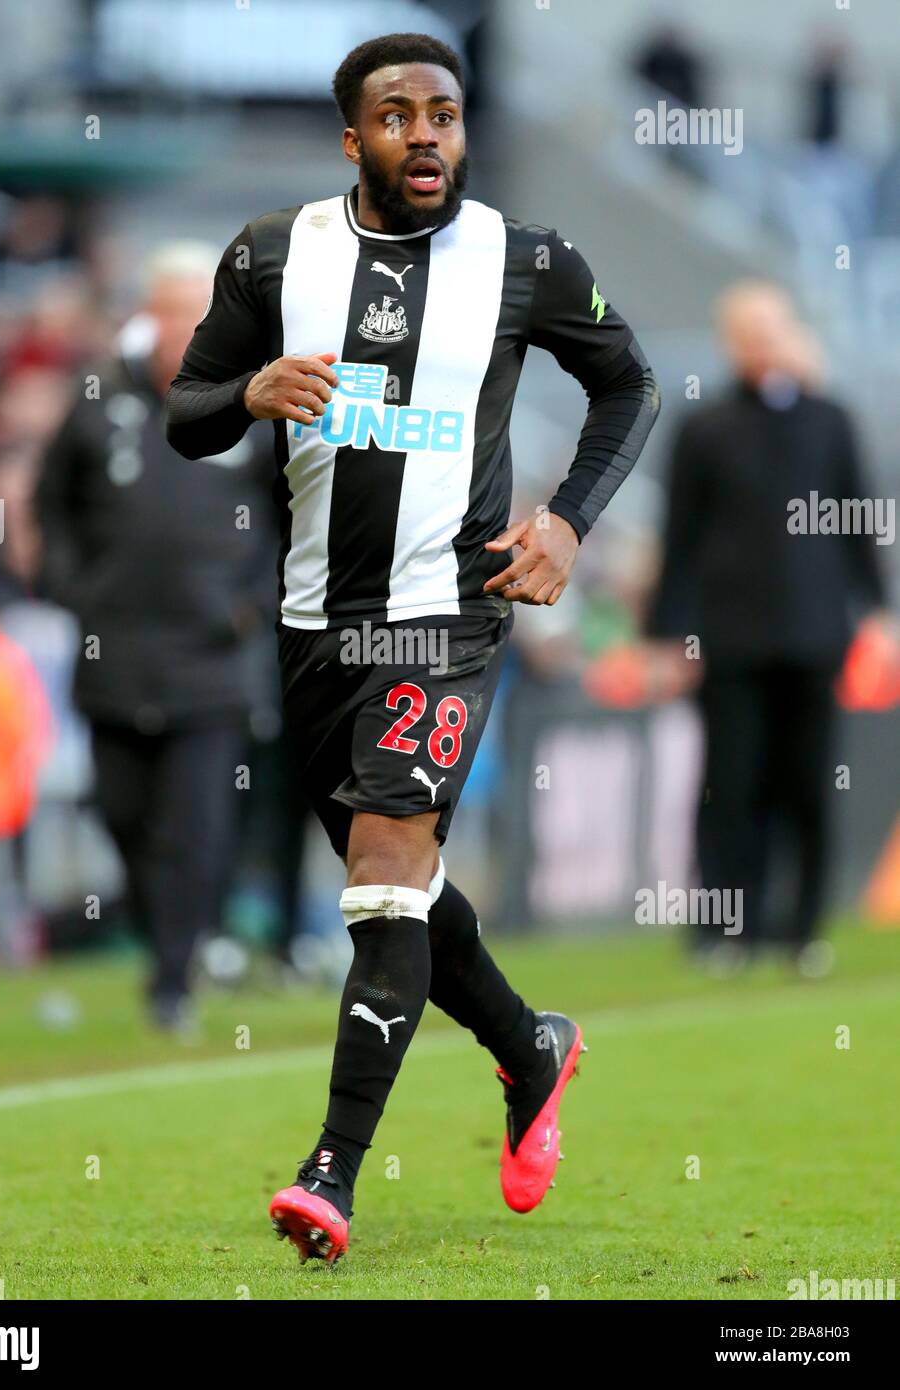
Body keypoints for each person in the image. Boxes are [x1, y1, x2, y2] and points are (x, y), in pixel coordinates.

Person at [166, 32, 659, 1262]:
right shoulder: (274, 253)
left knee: (385, 873)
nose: (426, 134)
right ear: (354, 138)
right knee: (408, 902)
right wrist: (246, 397)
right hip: (313, 624)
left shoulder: (524, 259)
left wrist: (563, 520)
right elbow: (184, 412)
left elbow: (630, 385)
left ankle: (329, 1172)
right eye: (397, 116)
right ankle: (528, 1046)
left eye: (444, 113)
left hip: (447, 618)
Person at [34, 243, 276, 1032]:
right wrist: (73, 589)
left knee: (197, 826)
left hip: (211, 659)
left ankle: (174, 980)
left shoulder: (256, 401)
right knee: (121, 813)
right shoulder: (100, 395)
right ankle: (167, 940)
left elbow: (296, 516)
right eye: (170, 309)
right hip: (114, 654)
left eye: (198, 310)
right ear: (147, 316)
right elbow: (52, 504)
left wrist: (252, 603)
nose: (184, 325)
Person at [646, 282, 887, 973]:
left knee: (806, 784)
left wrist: (875, 613)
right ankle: (726, 931)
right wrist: (672, 635)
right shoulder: (705, 427)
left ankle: (799, 930)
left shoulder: (830, 420)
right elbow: (680, 538)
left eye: (773, 328)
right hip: (728, 641)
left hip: (815, 638)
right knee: (730, 784)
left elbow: (856, 524)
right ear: (731, 341)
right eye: (749, 331)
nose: (763, 343)